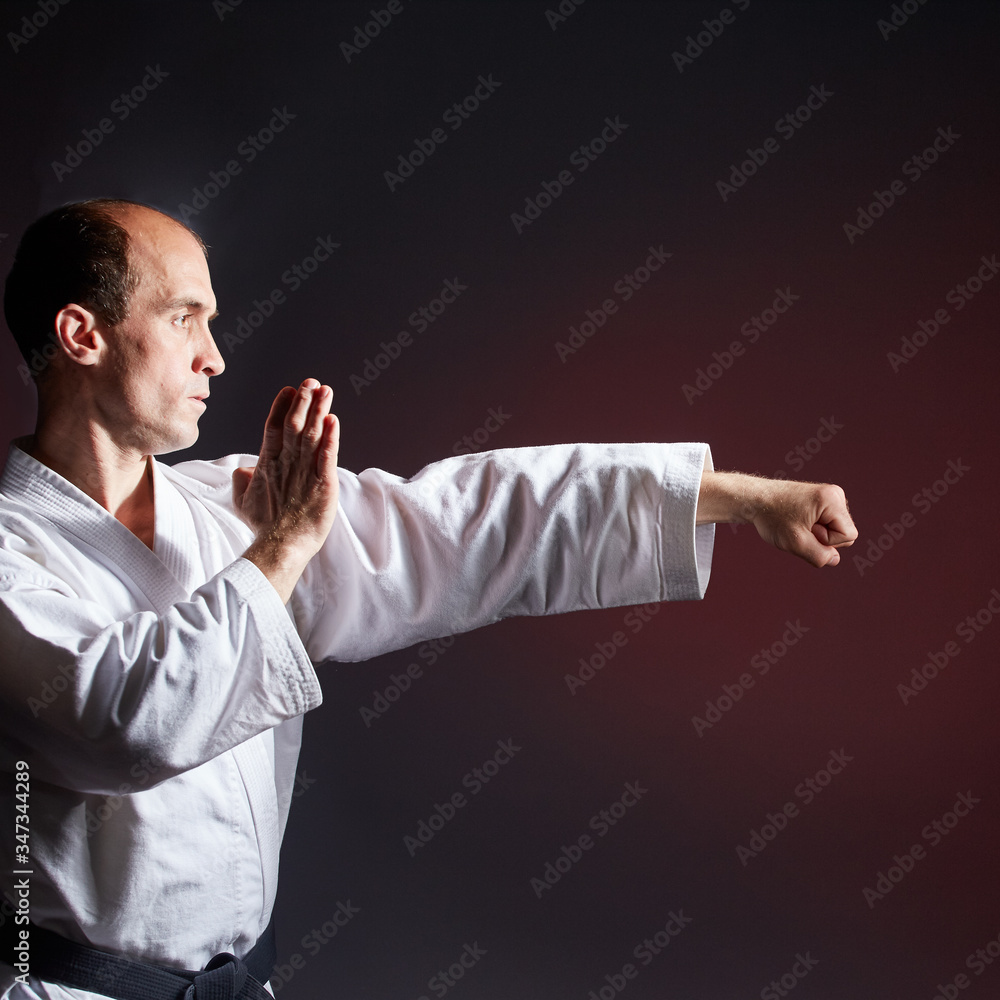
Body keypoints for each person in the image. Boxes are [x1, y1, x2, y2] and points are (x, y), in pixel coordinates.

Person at [0, 199, 857, 1000]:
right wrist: (283, 548)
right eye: (185, 316)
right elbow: (123, 721)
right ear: (82, 334)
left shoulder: (231, 509)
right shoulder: (18, 550)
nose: (214, 356)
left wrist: (736, 496)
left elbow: (460, 524)